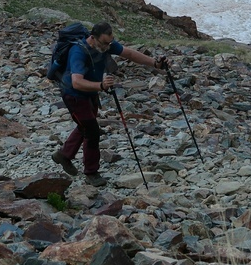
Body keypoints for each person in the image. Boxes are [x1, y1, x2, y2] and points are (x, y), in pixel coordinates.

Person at [52, 22, 167, 186]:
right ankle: (91, 173)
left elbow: (130, 54)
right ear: (93, 38)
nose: (108, 46)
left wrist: (155, 63)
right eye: (104, 43)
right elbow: (76, 82)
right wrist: (101, 86)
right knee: (92, 131)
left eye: (110, 42)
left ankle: (63, 155)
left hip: (90, 94)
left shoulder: (107, 45)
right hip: (74, 96)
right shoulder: (78, 51)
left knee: (85, 125)